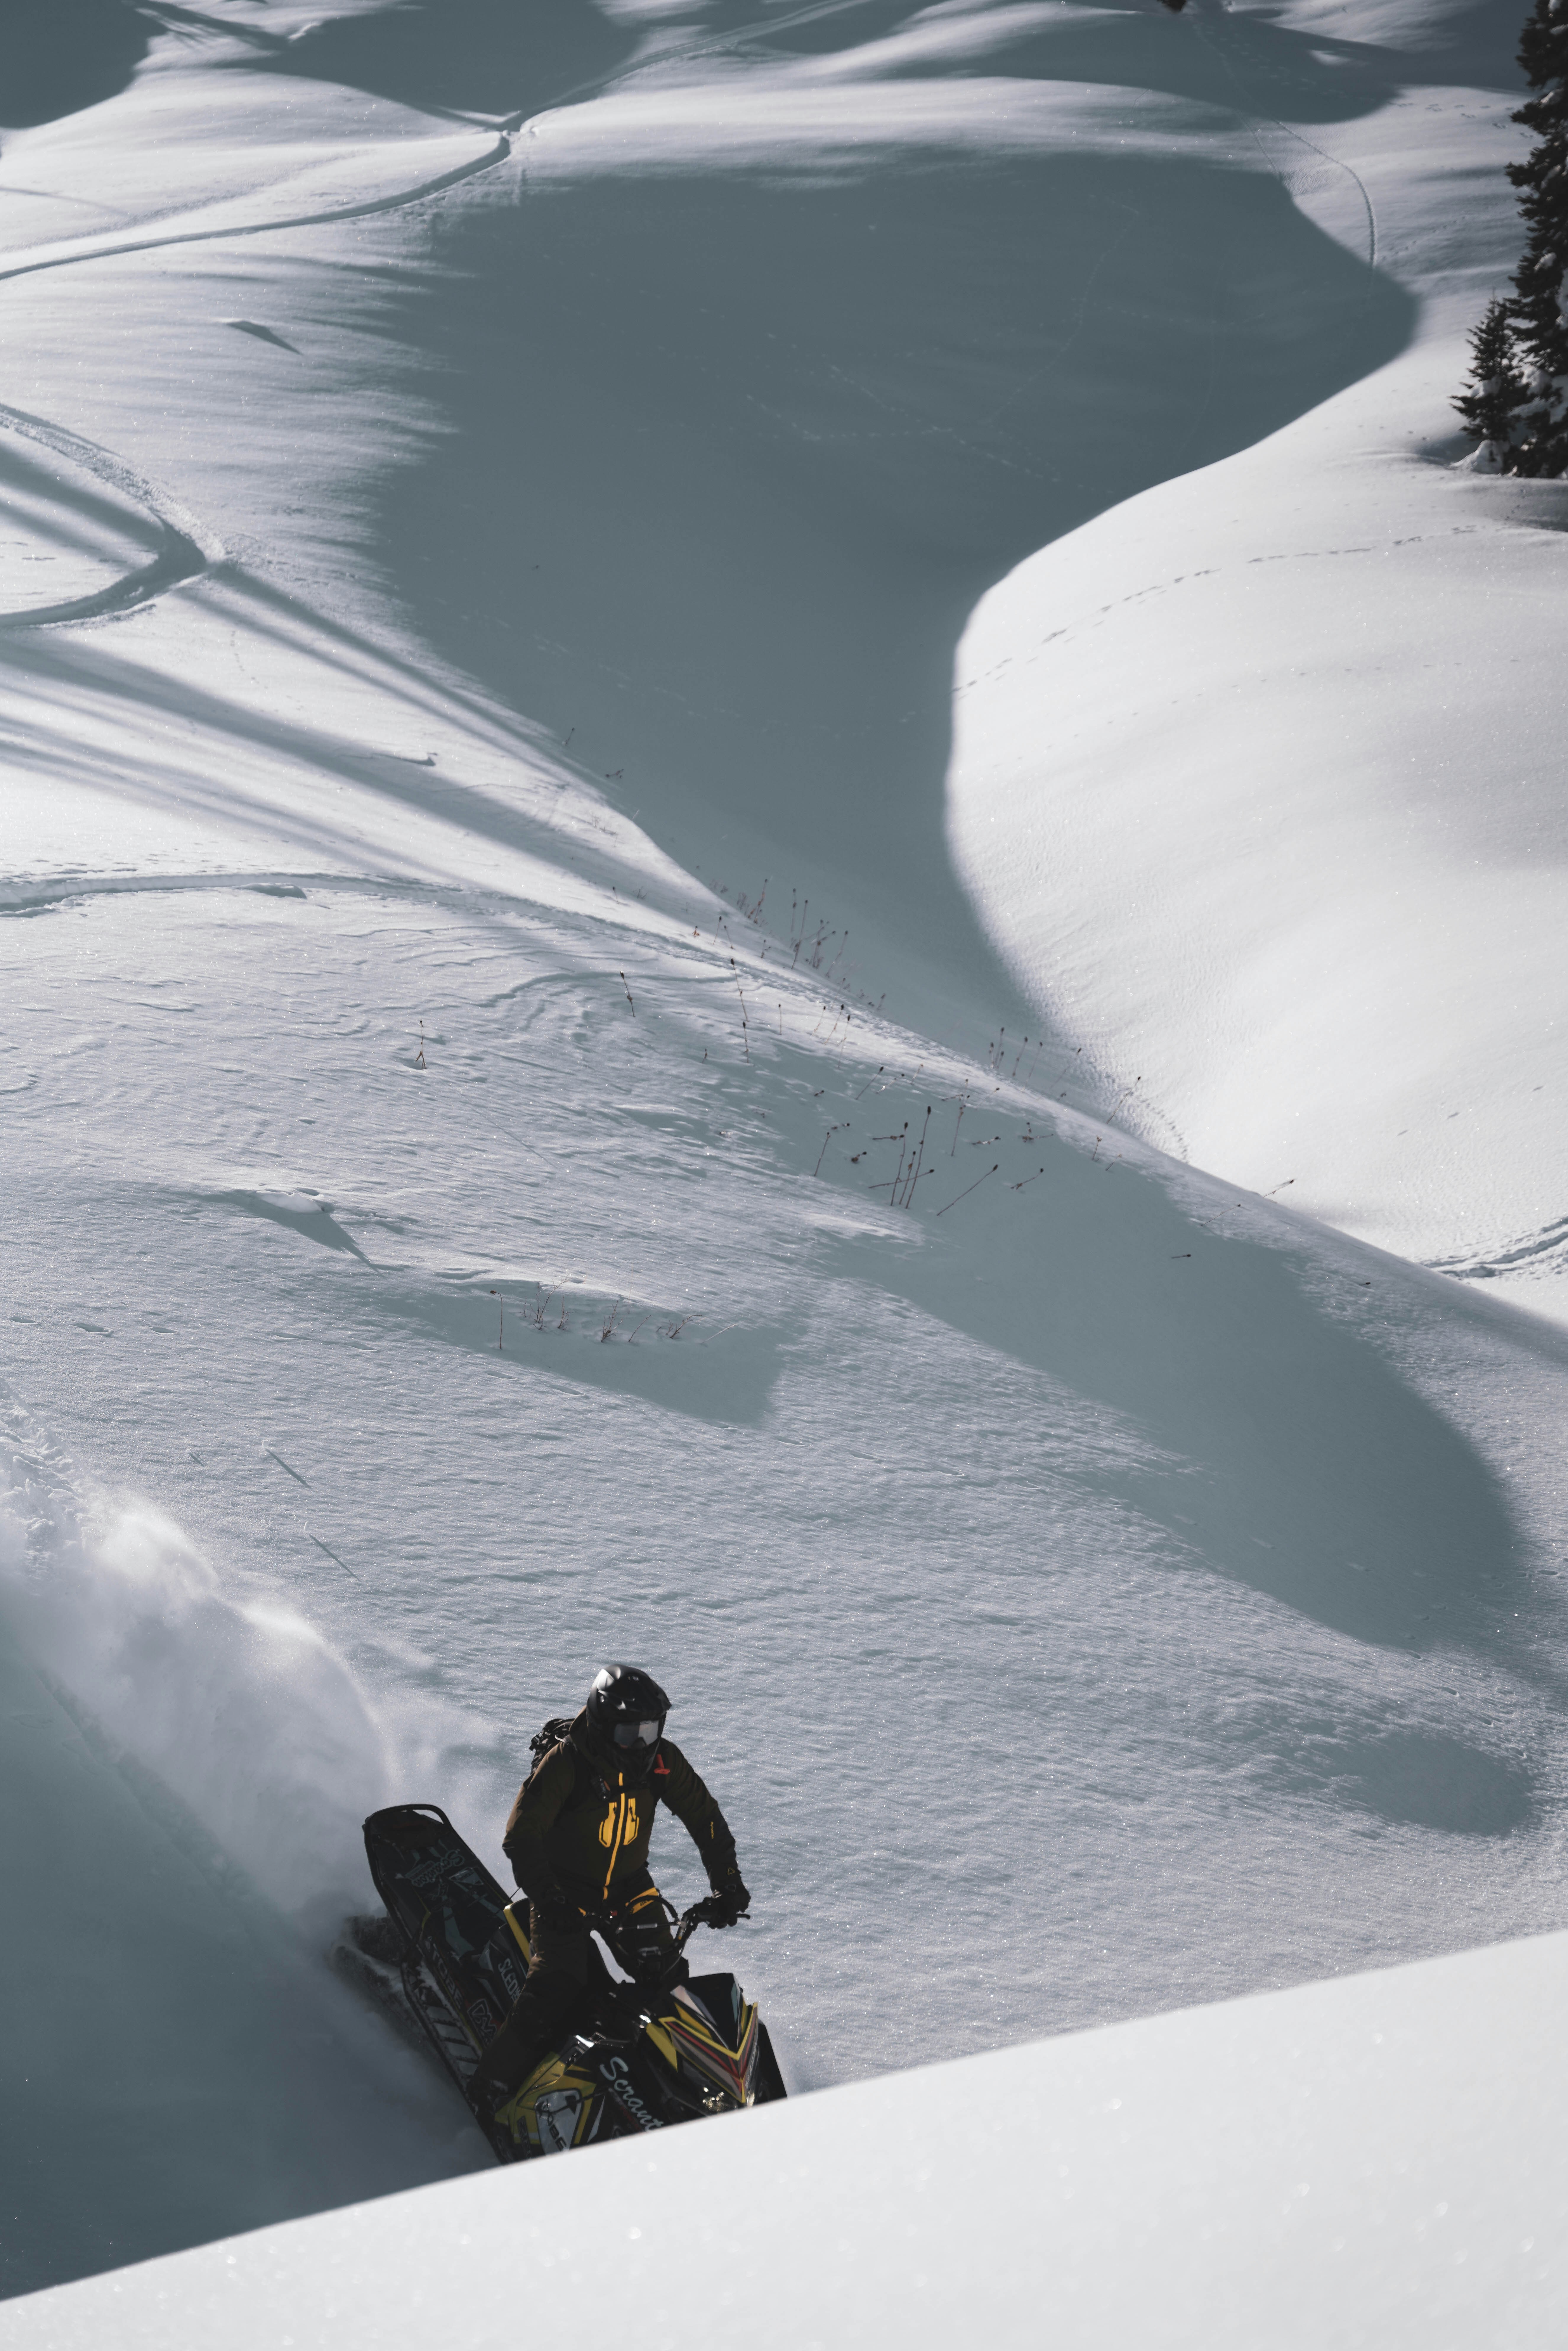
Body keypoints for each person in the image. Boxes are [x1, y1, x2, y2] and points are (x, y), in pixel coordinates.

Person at [468, 1662, 751, 2115]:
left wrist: (728, 1885)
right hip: (563, 1891)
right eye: (628, 1734)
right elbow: (522, 1837)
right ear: (602, 1728)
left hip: (629, 1888)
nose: (640, 1744)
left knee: (669, 1981)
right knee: (556, 1986)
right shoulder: (568, 1764)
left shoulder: (662, 1761)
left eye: (650, 1729)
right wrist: (550, 1899)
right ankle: (490, 2088)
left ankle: (673, 2093)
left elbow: (706, 1819)